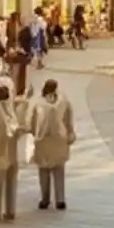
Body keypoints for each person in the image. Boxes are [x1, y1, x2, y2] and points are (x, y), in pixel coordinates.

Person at [29, 79, 75, 210]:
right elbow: (68, 119)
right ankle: (53, 199)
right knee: (51, 170)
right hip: (51, 139)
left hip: (49, 139)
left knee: (50, 170)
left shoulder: (42, 103)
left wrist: (34, 132)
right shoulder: (60, 102)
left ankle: (52, 199)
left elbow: (32, 121)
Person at [0, 84, 25, 222]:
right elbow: (17, 131)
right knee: (11, 185)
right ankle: (10, 212)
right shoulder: (12, 112)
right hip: (12, 154)